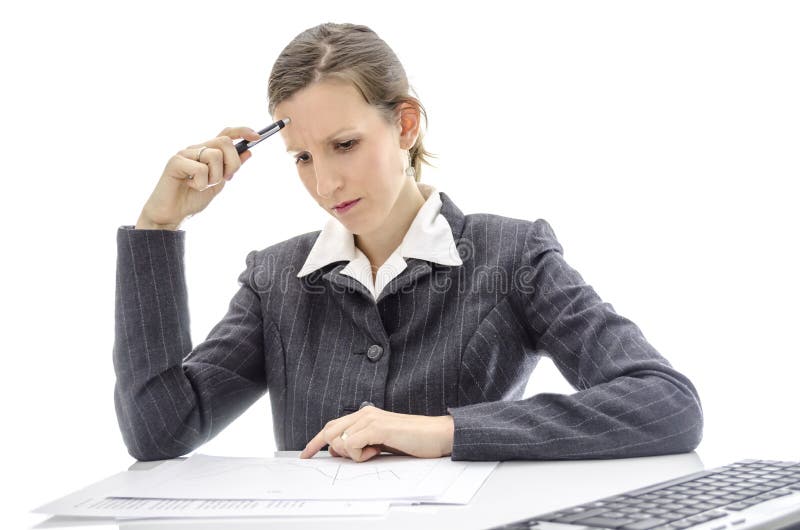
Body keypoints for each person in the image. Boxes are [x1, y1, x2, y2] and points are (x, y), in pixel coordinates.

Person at [113, 22, 703, 463]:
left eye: (344, 144)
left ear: (406, 124)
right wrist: (157, 229)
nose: (325, 183)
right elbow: (159, 431)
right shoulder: (275, 279)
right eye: (302, 157)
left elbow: (665, 403)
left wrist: (446, 431)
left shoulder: (512, 256)